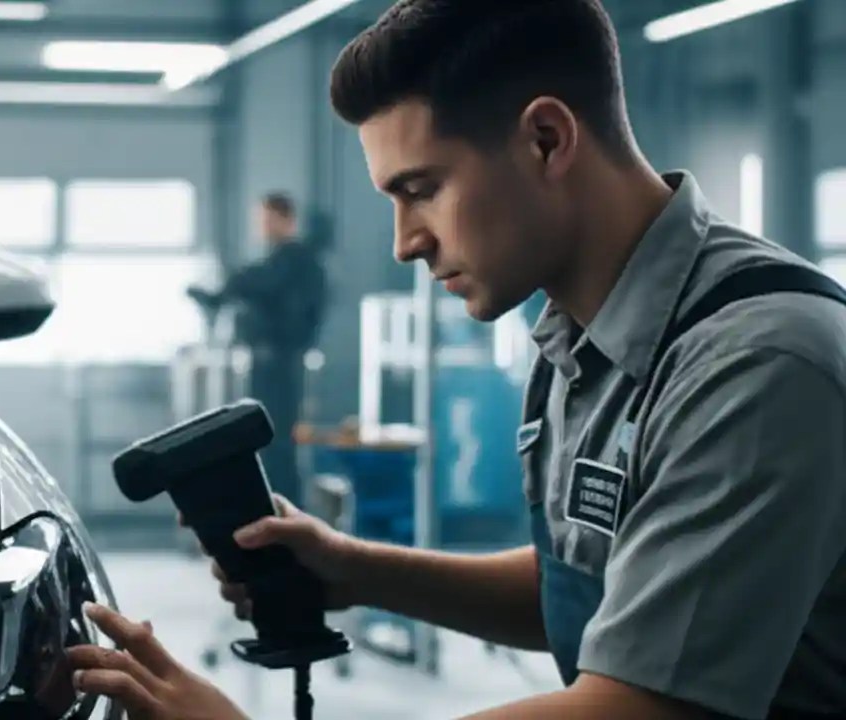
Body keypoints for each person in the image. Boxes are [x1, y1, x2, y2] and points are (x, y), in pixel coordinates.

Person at [67, 1, 846, 718]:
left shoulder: (758, 363)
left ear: (547, 139)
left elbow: (641, 706)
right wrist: (354, 569)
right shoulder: (579, 338)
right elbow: (599, 590)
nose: (405, 242)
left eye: (422, 190)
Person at [188, 192, 328, 508]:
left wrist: (220, 294)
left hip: (280, 365)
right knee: (266, 441)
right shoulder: (282, 263)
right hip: (270, 364)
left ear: (286, 220)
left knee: (275, 442)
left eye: (267, 220)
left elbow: (255, 283)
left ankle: (282, 511)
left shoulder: (293, 262)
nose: (262, 227)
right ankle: (275, 509)